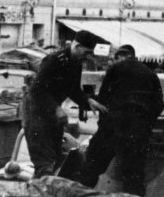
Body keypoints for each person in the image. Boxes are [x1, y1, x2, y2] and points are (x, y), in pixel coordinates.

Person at [79, 44, 164, 196]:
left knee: (92, 164)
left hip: (114, 123)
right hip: (138, 127)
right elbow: (159, 104)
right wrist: (145, 123)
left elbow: (103, 99)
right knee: (134, 173)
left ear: (119, 57)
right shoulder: (150, 73)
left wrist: (104, 124)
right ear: (133, 55)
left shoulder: (115, 69)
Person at [23, 30, 106, 178]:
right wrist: (56, 109)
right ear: (77, 46)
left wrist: (87, 100)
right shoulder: (55, 60)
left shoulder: (76, 63)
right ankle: (41, 195)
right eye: (86, 52)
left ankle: (43, 191)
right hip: (37, 112)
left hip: (52, 114)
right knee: (44, 161)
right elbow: (36, 89)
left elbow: (73, 89)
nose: (87, 57)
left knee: (55, 157)